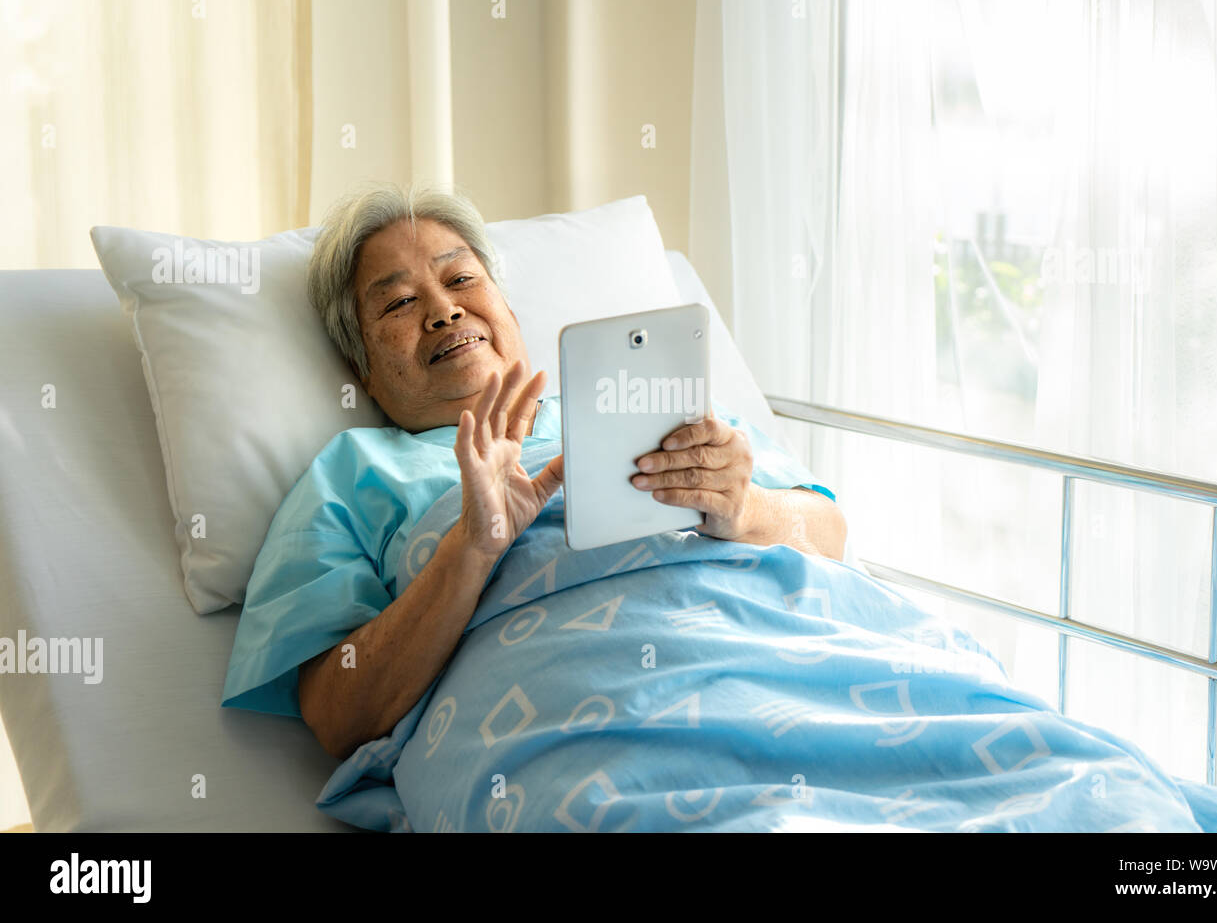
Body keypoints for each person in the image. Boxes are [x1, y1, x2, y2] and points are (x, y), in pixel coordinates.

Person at [220, 183, 847, 760]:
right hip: (585, 733)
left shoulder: (658, 406)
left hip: (789, 670)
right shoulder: (350, 477)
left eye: (461, 279)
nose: (443, 311)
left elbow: (832, 537)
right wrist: (472, 548)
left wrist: (746, 508)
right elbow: (337, 713)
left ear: (509, 313)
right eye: (402, 303)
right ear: (364, 370)